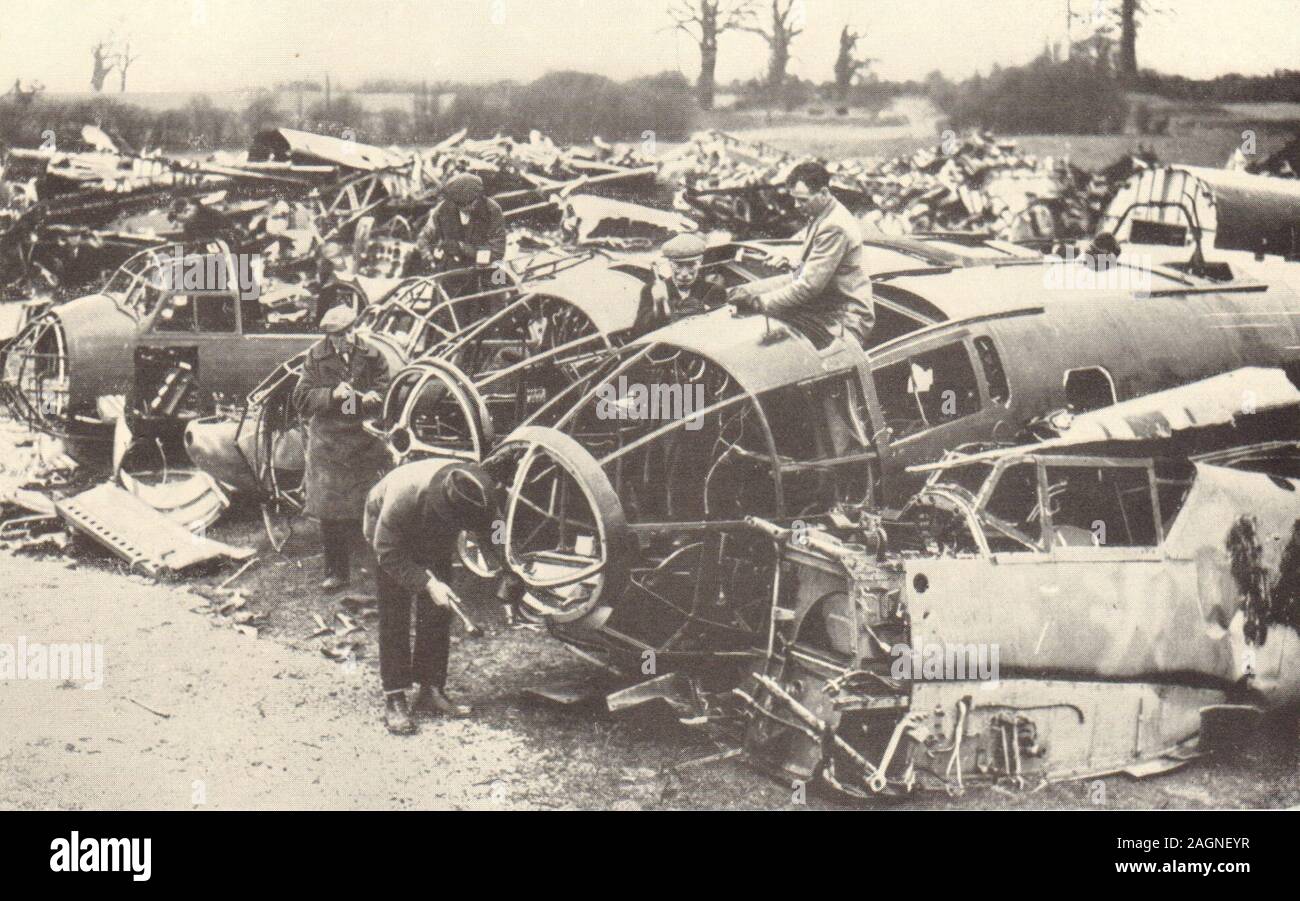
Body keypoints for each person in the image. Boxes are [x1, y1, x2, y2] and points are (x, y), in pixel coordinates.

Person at [363, 458, 502, 734]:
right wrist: (427, 582)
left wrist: (508, 569)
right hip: (389, 537)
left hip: (433, 531)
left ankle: (431, 689)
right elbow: (387, 552)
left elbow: (496, 534)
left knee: (439, 608)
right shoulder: (404, 495)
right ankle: (395, 696)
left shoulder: (479, 495)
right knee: (395, 613)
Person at [292, 305, 390, 591]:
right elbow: (300, 398)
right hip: (329, 442)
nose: (344, 339)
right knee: (331, 513)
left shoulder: (372, 354)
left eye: (348, 332)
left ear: (355, 329)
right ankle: (336, 572)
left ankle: (374, 569)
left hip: (364, 439)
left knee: (370, 506)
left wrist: (377, 395)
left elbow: (388, 386)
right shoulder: (315, 356)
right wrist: (330, 394)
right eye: (337, 335)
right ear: (329, 336)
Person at [727, 161, 874, 347]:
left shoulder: (834, 226)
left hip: (843, 318)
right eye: (795, 199)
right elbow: (804, 270)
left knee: (769, 341)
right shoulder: (824, 214)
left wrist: (758, 302)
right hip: (827, 304)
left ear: (824, 192)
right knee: (744, 293)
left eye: (803, 200)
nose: (797, 205)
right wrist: (749, 291)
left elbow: (807, 287)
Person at [630, 232, 727, 338]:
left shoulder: (715, 290)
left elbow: (719, 331)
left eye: (691, 265)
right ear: (670, 263)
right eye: (678, 265)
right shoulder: (651, 290)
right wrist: (658, 306)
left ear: (700, 262)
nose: (684, 273)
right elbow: (637, 334)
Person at [412, 172, 506, 275]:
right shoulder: (442, 210)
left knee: (499, 279)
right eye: (463, 204)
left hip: (483, 270)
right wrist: (427, 256)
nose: (470, 207)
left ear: (479, 196)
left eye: (473, 202)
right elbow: (424, 237)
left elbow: (497, 252)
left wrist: (464, 249)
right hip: (450, 271)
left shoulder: (492, 211)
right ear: (454, 202)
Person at [168, 197, 241, 247]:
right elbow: (191, 242)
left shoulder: (210, 214)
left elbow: (228, 230)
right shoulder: (188, 226)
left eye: (187, 210)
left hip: (226, 244)